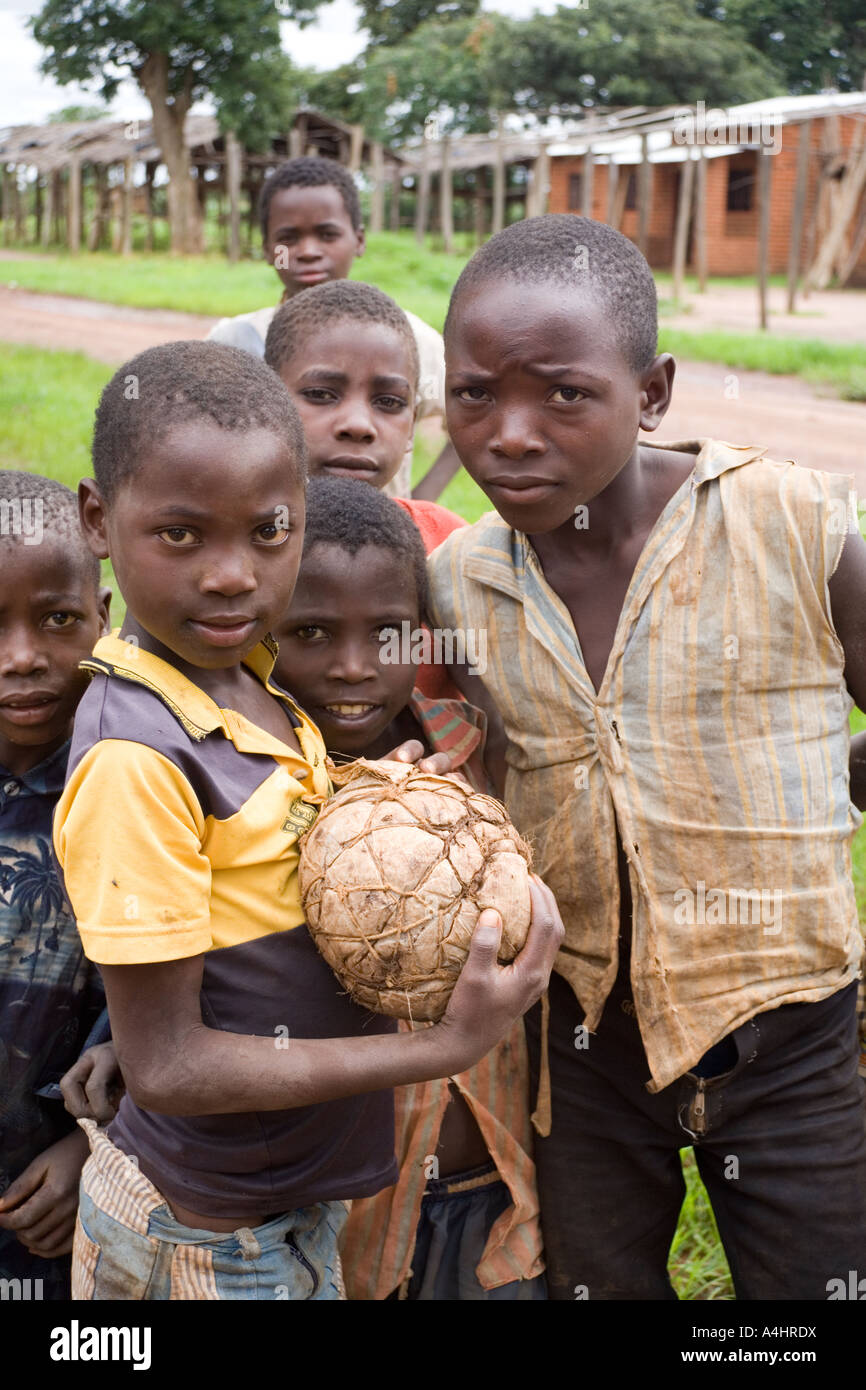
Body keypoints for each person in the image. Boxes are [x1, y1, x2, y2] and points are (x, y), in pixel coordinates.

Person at [52, 339, 562, 1301]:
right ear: (97, 521)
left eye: (269, 531)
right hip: (200, 1230)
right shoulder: (138, 753)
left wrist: (377, 811)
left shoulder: (255, 691)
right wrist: (439, 1049)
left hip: (284, 1200)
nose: (232, 576)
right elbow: (166, 1066)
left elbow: (262, 880)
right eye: (181, 535)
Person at [426, 214, 866, 1301]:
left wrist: (824, 791)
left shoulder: (794, 527)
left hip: (789, 1029)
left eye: (563, 394)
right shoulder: (457, 583)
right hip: (580, 1042)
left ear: (652, 391)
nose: (511, 434)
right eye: (474, 393)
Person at [273, 476, 546, 1300]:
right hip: (343, 1215)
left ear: (423, 638)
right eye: (310, 632)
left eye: (388, 635)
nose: (354, 668)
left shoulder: (474, 754)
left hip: (497, 1197)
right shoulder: (262, 793)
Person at [0, 472, 110, 1298]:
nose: (24, 658)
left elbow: (192, 998)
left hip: (65, 1208)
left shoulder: (132, 782)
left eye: (58, 620)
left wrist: (93, 1148)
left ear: (104, 614)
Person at [207, 155, 459, 499]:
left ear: (359, 240)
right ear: (268, 249)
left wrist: (419, 506)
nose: (308, 251)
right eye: (288, 238)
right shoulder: (235, 343)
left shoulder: (409, 340)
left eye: (327, 234)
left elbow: (469, 416)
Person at [264, 278, 466, 701]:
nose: (358, 424)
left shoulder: (448, 549)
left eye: (389, 402)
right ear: (268, 405)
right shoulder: (237, 549)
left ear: (412, 424)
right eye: (321, 394)